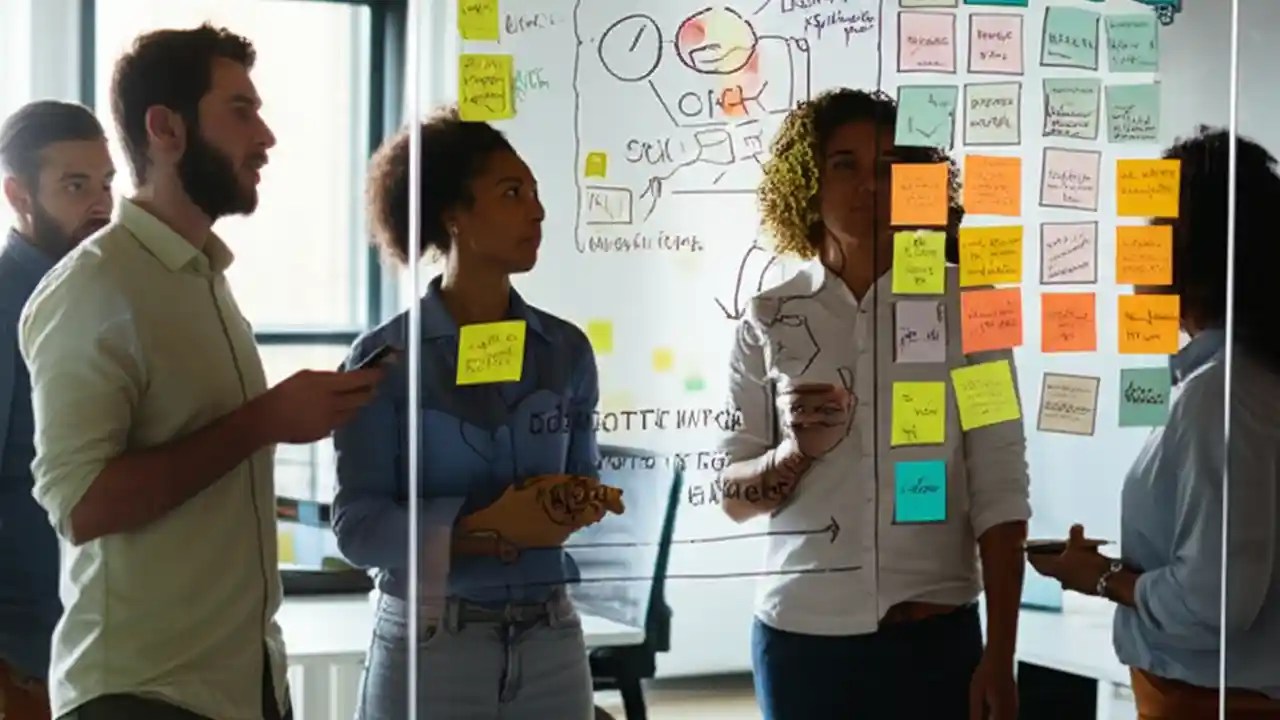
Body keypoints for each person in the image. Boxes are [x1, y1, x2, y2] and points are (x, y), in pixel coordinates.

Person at [18, 24, 384, 720]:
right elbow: (82, 504)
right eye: (241, 112)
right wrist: (266, 422)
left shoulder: (203, 276)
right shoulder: (94, 288)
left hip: (244, 684)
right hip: (141, 695)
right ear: (166, 128)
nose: (266, 137)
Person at [718, 88, 1031, 720]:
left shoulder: (974, 305)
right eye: (845, 164)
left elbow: (1000, 484)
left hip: (936, 641)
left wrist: (1001, 652)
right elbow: (731, 494)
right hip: (802, 644)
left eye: (890, 167)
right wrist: (795, 453)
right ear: (807, 183)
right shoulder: (767, 316)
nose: (869, 185)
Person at [332, 106, 623, 720]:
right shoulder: (387, 359)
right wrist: (480, 528)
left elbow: (583, 480)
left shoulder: (566, 351)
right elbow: (356, 528)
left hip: (550, 638)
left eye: (535, 193)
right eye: (512, 193)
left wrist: (579, 500)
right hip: (432, 642)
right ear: (453, 215)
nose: (537, 212)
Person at [1029, 127, 1280, 720]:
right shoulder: (1233, 378)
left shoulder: (1220, 394)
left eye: (1150, 228)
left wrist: (1100, 577)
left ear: (1194, 251)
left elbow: (1213, 602)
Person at [0, 100, 114, 720]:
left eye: (106, 183)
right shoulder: (6, 307)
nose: (100, 204)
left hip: (104, 646)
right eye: (75, 186)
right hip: (26, 660)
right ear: (18, 195)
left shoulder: (100, 296)